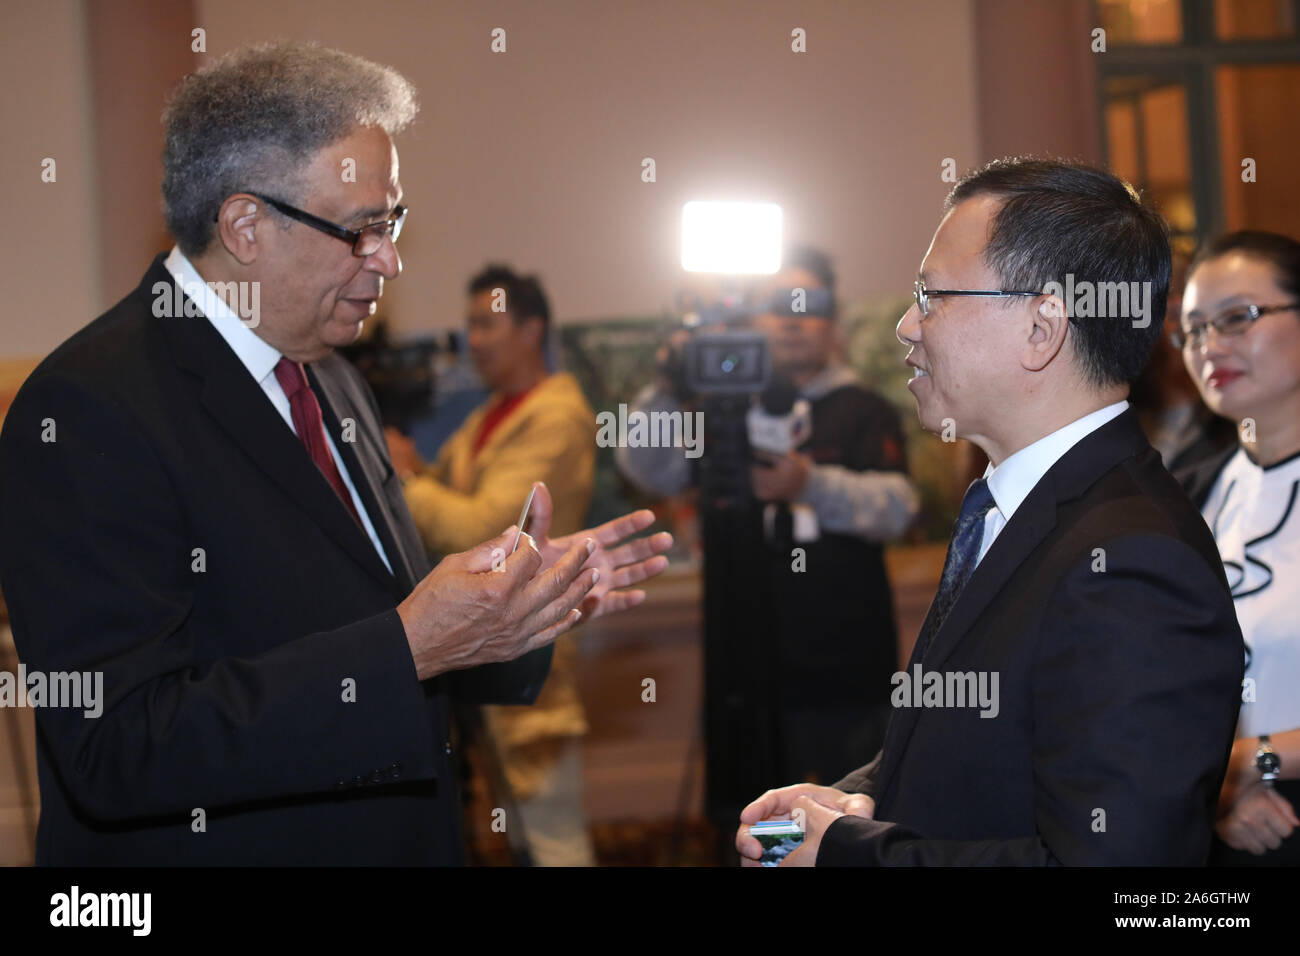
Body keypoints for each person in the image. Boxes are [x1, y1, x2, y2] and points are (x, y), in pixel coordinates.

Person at [0, 41, 669, 866]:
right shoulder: (92, 405)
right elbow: (120, 746)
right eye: (361, 230)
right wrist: (408, 645)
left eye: (392, 223)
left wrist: (519, 608)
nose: (388, 259)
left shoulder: (333, 379)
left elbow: (377, 624)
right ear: (245, 226)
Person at [736, 158, 1245, 866]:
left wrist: (850, 855)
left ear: (1043, 327)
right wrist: (847, 799)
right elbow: (969, 748)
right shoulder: (1025, 504)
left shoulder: (1131, 559)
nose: (906, 325)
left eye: (933, 294)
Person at [618, 247, 918, 839]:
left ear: (833, 321)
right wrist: (670, 382)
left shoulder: (864, 410)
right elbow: (646, 466)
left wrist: (809, 484)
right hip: (745, 671)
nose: (792, 317)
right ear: (755, 318)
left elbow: (900, 507)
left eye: (809, 304)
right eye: (778, 304)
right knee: (760, 831)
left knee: (846, 829)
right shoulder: (719, 410)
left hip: (846, 674)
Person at [390, 265, 613, 866]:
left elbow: (483, 527)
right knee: (518, 834)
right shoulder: (492, 413)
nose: (475, 341)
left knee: (553, 835)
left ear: (532, 329)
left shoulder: (555, 415)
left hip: (536, 649)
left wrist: (404, 475)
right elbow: (444, 496)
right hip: (489, 644)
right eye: (469, 326)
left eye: (488, 324)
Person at [1174, 231, 1300, 863]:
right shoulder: (1182, 494)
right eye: (1193, 329)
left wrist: (1251, 760)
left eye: (1238, 318)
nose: (1209, 346)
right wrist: (1221, 794)